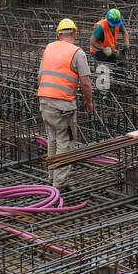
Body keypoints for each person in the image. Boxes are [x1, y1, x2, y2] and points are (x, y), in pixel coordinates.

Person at [38, 18, 95, 190]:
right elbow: (85, 82)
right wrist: (89, 101)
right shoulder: (77, 52)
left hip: (45, 101)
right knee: (66, 143)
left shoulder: (49, 48)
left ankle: (51, 176)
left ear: (58, 34)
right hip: (63, 106)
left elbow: (40, 76)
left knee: (53, 139)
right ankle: (59, 184)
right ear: (75, 34)